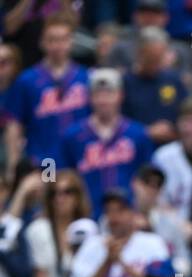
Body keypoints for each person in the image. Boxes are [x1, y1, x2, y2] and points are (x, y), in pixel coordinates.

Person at [59, 69, 155, 216]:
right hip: (86, 215)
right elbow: (61, 174)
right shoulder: (72, 135)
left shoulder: (138, 133)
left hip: (128, 217)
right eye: (98, 94)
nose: (103, 100)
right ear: (89, 98)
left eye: (109, 94)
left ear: (120, 96)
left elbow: (149, 178)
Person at [3, 14, 88, 172]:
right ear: (42, 42)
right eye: (52, 40)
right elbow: (14, 125)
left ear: (71, 42)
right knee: (49, 196)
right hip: (45, 160)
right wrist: (13, 165)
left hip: (82, 157)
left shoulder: (85, 77)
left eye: (63, 39)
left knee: (80, 195)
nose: (57, 45)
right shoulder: (26, 80)